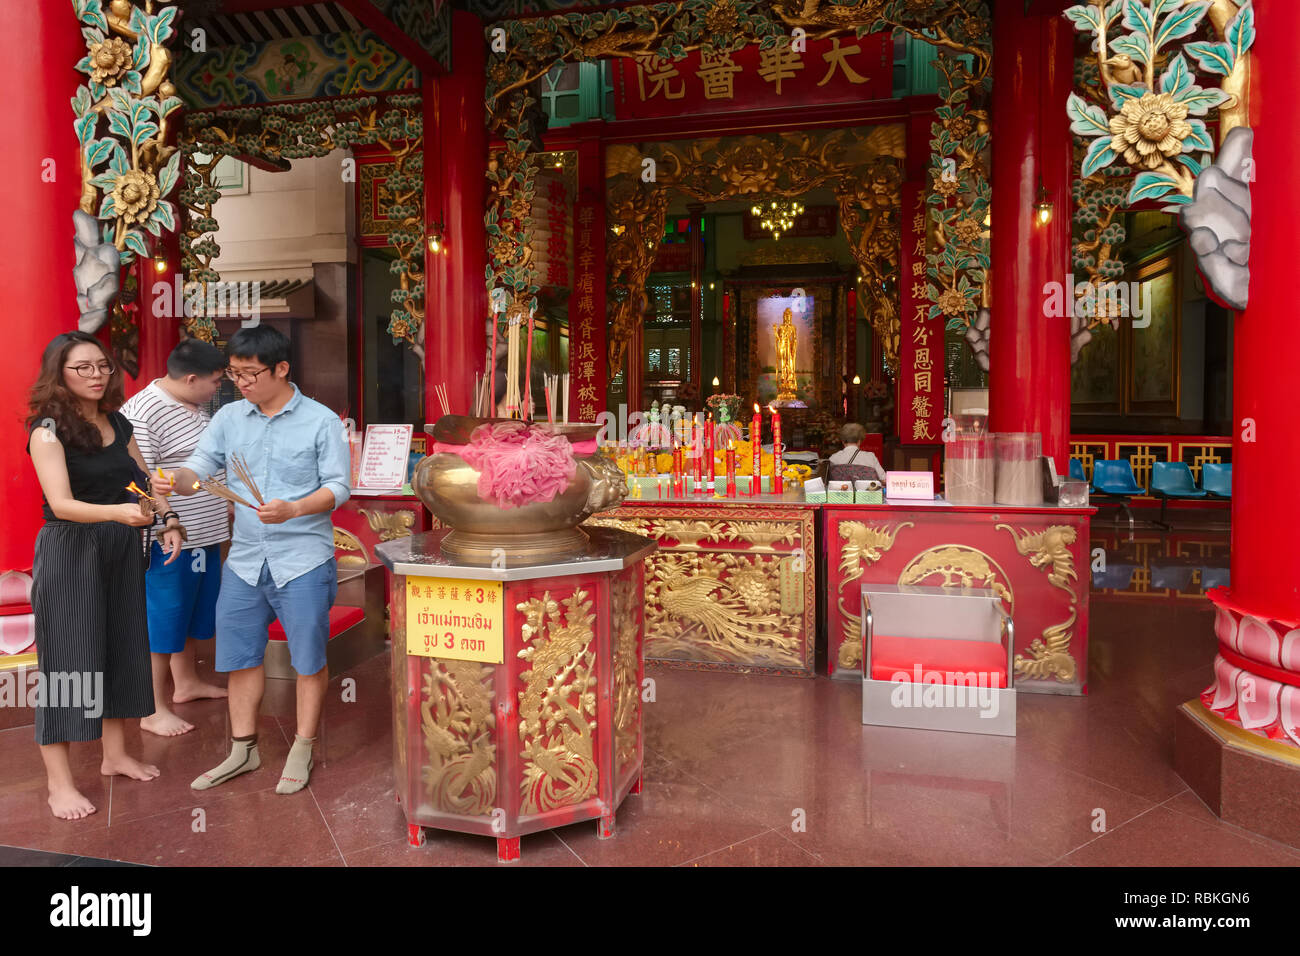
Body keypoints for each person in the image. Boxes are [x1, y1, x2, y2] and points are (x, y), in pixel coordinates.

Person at [155, 325, 349, 794]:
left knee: (307, 659)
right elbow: (199, 469)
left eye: (249, 374)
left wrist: (294, 508)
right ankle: (243, 748)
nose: (240, 384)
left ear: (281, 369)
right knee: (240, 658)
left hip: (302, 559)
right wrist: (173, 481)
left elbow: (339, 487)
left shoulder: (321, 421)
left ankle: (303, 745)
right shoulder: (228, 419)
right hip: (244, 560)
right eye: (234, 376)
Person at [25, 331, 185, 820]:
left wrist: (167, 517)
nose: (96, 376)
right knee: (69, 665)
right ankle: (59, 784)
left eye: (102, 367)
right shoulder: (47, 430)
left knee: (122, 647)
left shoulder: (118, 420)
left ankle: (115, 756)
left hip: (119, 549)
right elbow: (62, 504)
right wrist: (120, 513)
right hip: (70, 552)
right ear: (60, 373)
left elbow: (138, 481)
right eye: (82, 368)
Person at [121, 339, 231, 737]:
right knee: (163, 621)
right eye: (215, 381)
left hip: (204, 534)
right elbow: (142, 479)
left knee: (190, 613)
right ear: (190, 378)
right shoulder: (143, 411)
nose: (217, 388)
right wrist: (166, 524)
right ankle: (151, 708)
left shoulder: (197, 407)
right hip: (168, 540)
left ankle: (186, 683)